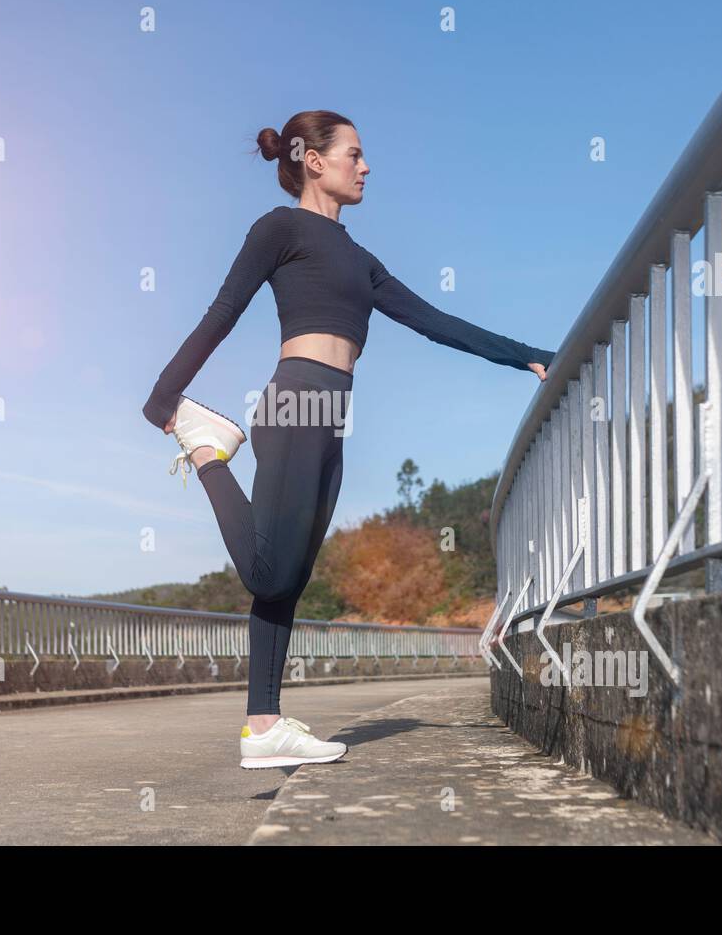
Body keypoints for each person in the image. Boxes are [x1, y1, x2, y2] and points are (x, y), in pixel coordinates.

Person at [141, 110, 555, 770]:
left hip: (331, 413)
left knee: (289, 581)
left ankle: (264, 726)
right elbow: (223, 312)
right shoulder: (278, 229)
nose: (365, 167)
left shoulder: (362, 262)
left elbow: (436, 321)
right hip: (297, 397)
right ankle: (203, 446)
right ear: (313, 159)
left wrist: (528, 356)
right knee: (268, 569)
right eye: (354, 154)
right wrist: (166, 399)